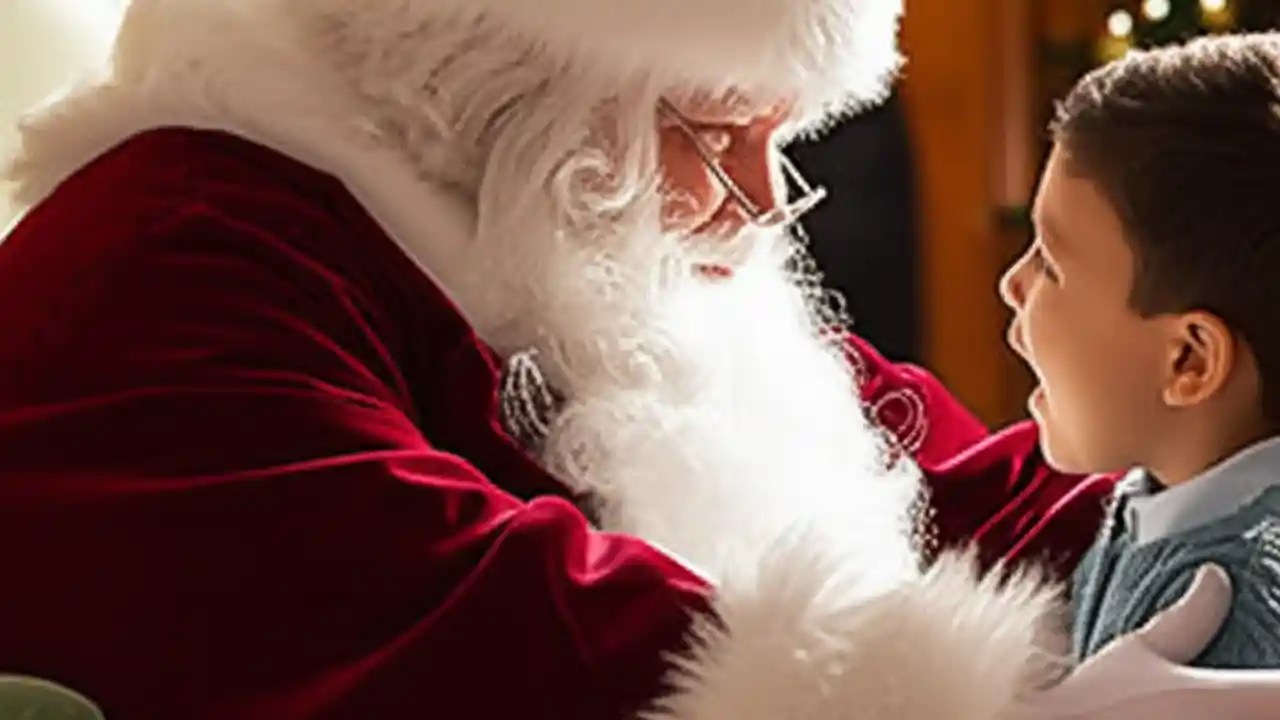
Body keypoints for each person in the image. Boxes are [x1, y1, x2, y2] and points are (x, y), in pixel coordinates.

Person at [1, 0, 1277, 718]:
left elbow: (940, 481)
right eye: (714, 131)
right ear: (499, 96)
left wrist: (1236, 492)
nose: (764, 199)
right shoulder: (158, 261)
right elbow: (466, 634)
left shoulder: (571, 217)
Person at [1001, 33, 1280, 670]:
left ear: (1190, 360)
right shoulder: (1155, 506)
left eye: (1049, 260)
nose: (1012, 284)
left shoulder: (1239, 610)